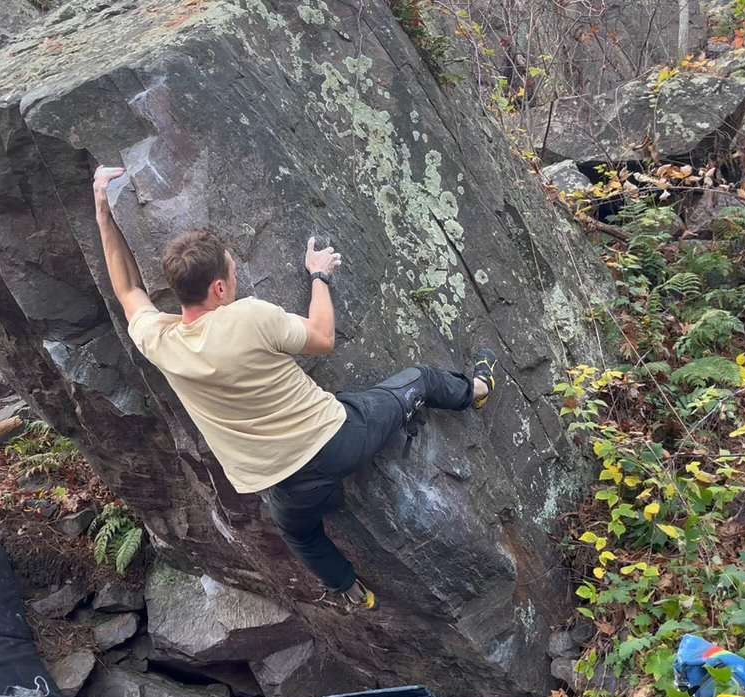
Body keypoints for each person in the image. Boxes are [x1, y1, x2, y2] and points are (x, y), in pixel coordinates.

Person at [91, 166, 498, 611]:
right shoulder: (248, 316)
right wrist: (319, 276)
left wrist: (103, 212)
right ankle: (476, 389)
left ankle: (352, 592)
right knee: (418, 379)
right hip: (338, 440)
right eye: (232, 267)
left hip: (283, 483)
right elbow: (322, 338)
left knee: (301, 534)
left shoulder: (160, 341)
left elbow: (127, 287)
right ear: (220, 287)